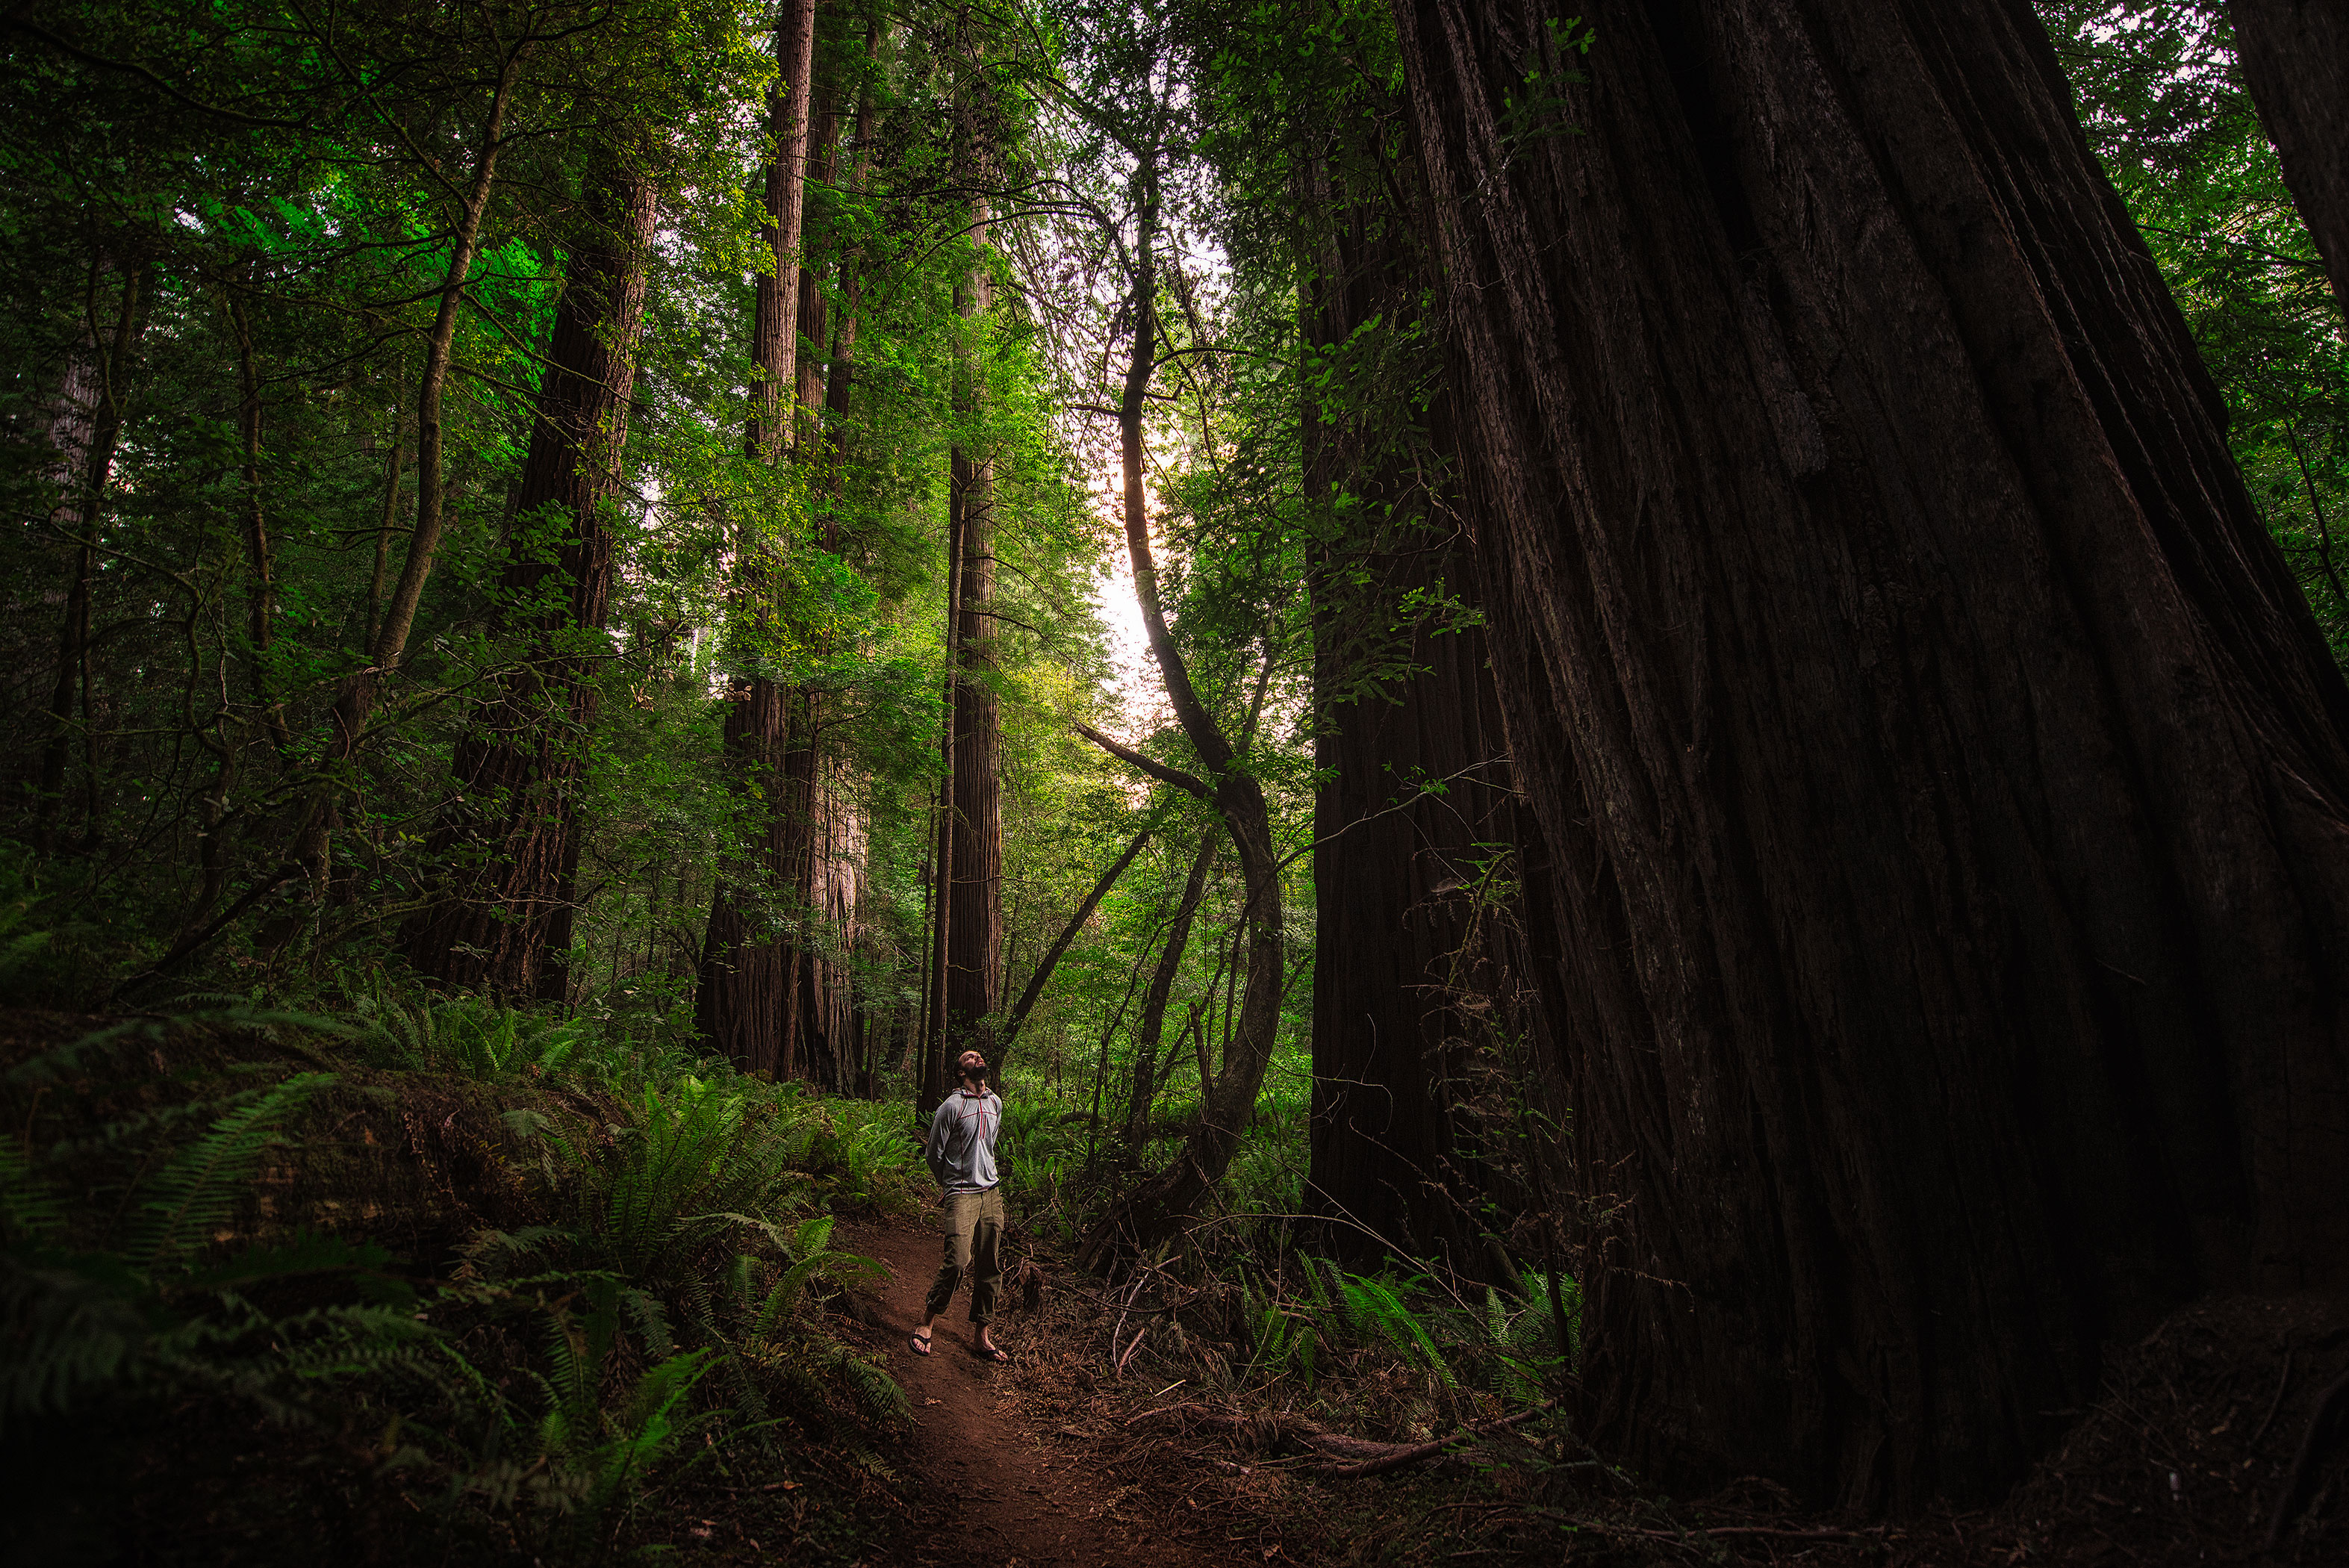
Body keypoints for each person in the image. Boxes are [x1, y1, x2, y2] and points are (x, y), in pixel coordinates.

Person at [912, 1048, 1007, 1362]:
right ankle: (927, 1320)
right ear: (961, 1073)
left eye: (980, 1055)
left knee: (989, 1264)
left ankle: (982, 1334)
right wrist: (950, 1186)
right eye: (969, 1057)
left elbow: (989, 1145)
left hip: (991, 1193)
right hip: (961, 1194)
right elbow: (933, 1154)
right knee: (957, 1261)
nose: (978, 1057)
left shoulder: (995, 1103)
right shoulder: (950, 1107)